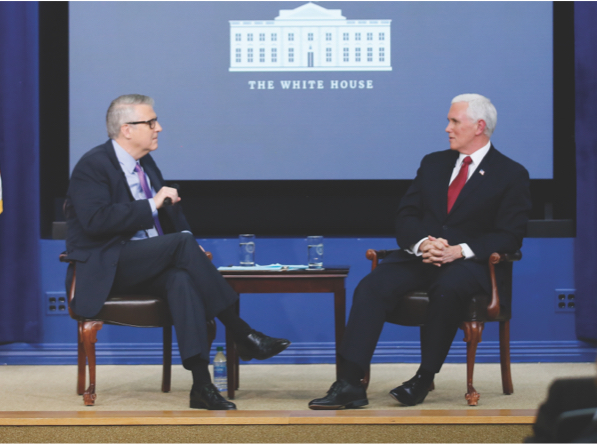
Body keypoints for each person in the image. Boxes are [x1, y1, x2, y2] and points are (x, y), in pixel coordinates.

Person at [64, 94, 290, 410]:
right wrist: (152, 204)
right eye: (151, 122)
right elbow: (94, 221)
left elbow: (173, 216)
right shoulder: (93, 165)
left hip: (147, 261)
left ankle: (201, 386)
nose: (159, 128)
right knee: (182, 247)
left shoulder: (146, 164)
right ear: (127, 129)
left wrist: (186, 240)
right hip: (111, 264)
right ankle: (242, 333)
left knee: (181, 279)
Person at [309, 93, 532, 409]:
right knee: (372, 286)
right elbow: (406, 216)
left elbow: (511, 235)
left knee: (448, 288)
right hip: (421, 257)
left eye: (454, 121)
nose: (447, 128)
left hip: (468, 265)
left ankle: (423, 379)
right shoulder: (433, 163)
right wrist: (423, 243)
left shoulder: (511, 174)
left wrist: (460, 250)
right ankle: (349, 382)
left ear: (479, 126)